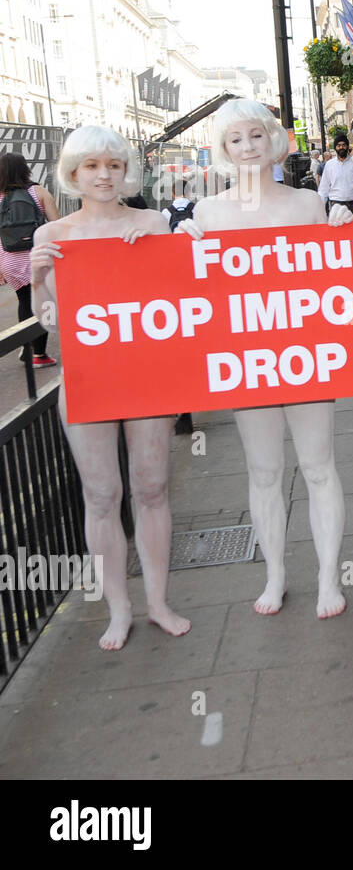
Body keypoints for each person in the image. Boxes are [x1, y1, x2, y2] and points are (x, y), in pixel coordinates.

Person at [180, 99, 353, 619]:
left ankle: (329, 577)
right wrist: (180, 247)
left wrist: (342, 225)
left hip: (306, 352)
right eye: (236, 139)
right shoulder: (207, 214)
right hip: (246, 358)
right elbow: (192, 293)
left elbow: (335, 277)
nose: (248, 147)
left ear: (272, 138)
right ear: (224, 149)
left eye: (256, 135)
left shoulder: (306, 204)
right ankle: (275, 574)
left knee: (319, 466)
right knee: (263, 470)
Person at [29, 125, 190, 649]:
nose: (103, 175)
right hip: (86, 378)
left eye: (113, 166)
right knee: (101, 495)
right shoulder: (52, 237)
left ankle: (158, 603)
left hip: (147, 375)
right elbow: (48, 322)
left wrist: (164, 251)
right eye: (92, 167)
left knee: (151, 488)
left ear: (126, 172)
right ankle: (118, 609)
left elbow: (181, 299)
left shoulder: (153, 222)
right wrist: (36, 279)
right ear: (73, 174)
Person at [0, 152, 60, 367]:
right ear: (25, 169)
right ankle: (39, 354)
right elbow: (56, 225)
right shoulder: (38, 192)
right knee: (45, 302)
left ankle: (27, 348)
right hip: (38, 256)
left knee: (24, 301)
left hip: (9, 258)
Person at [318, 134, 353, 215]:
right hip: (336, 205)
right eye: (338, 145)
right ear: (335, 148)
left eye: (344, 145)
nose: (341, 147)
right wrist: (320, 209)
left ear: (348, 147)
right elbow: (324, 188)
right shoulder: (329, 164)